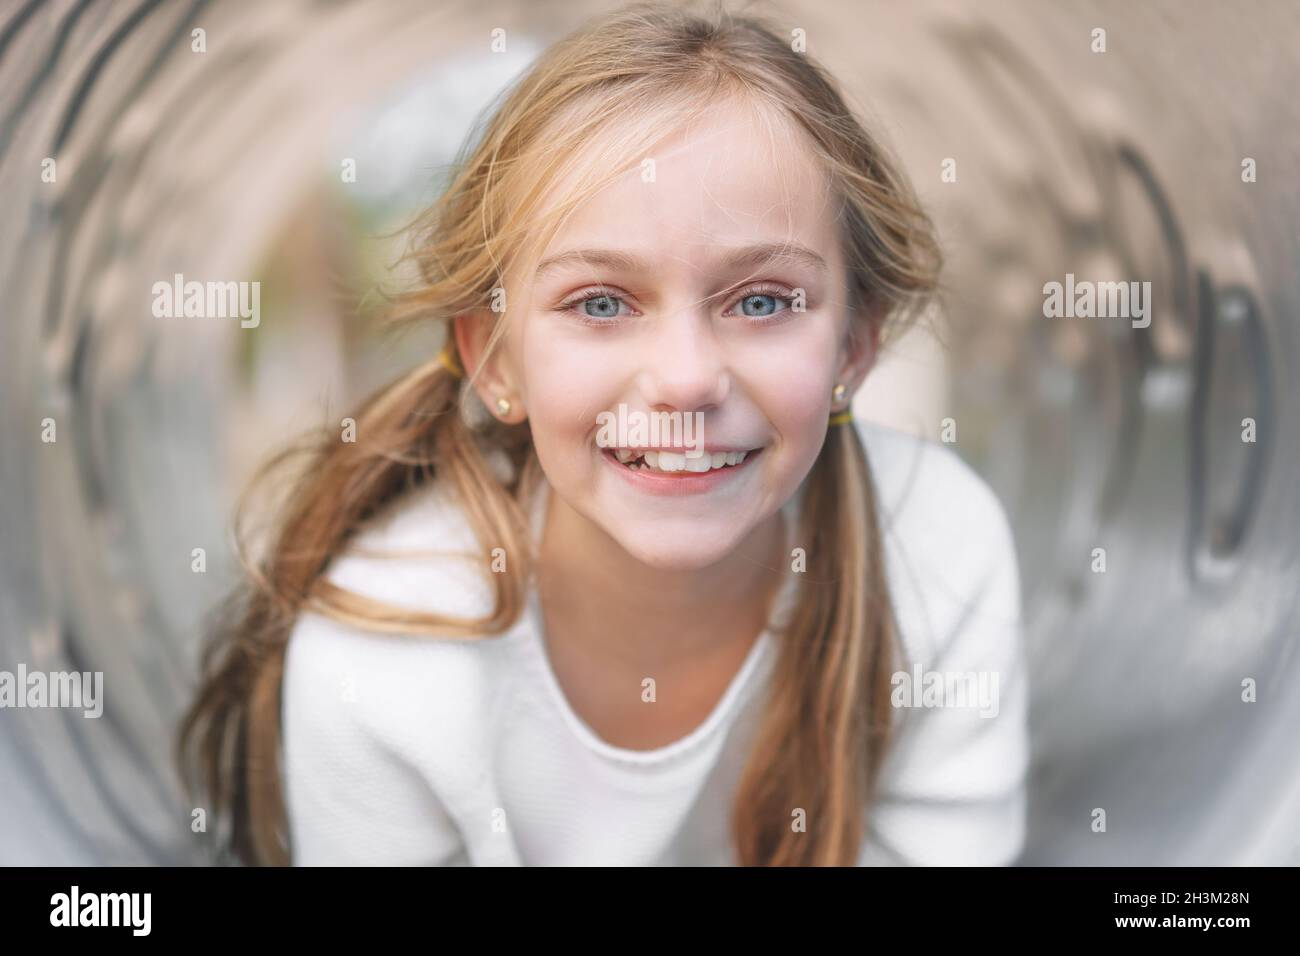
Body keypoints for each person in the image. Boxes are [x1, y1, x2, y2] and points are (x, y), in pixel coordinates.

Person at [177, 0, 1028, 866]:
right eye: (601, 303)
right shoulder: (387, 649)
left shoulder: (939, 553)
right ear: (495, 359)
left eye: (763, 300)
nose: (688, 377)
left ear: (854, 344)